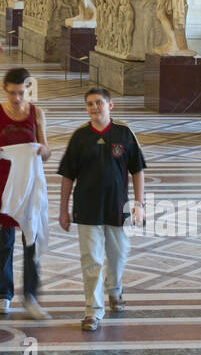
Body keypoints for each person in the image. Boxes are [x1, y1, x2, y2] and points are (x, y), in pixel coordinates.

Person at [58, 87, 146, 331]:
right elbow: (67, 175)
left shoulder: (124, 133)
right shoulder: (80, 136)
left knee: (119, 254)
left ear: (110, 105)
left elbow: (137, 170)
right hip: (87, 209)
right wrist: (63, 209)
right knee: (91, 260)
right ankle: (93, 311)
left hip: (118, 207)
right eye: (90, 104)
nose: (94, 107)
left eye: (99, 102)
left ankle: (114, 289)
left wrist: (139, 204)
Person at [0, 67, 51, 319]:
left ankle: (30, 295)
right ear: (5, 90)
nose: (17, 98)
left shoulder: (37, 114)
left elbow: (47, 151)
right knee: (4, 239)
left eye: (21, 93)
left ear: (28, 89)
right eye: (12, 93)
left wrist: (42, 150)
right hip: (4, 183)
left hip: (29, 184)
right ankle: (4, 293)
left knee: (30, 239)